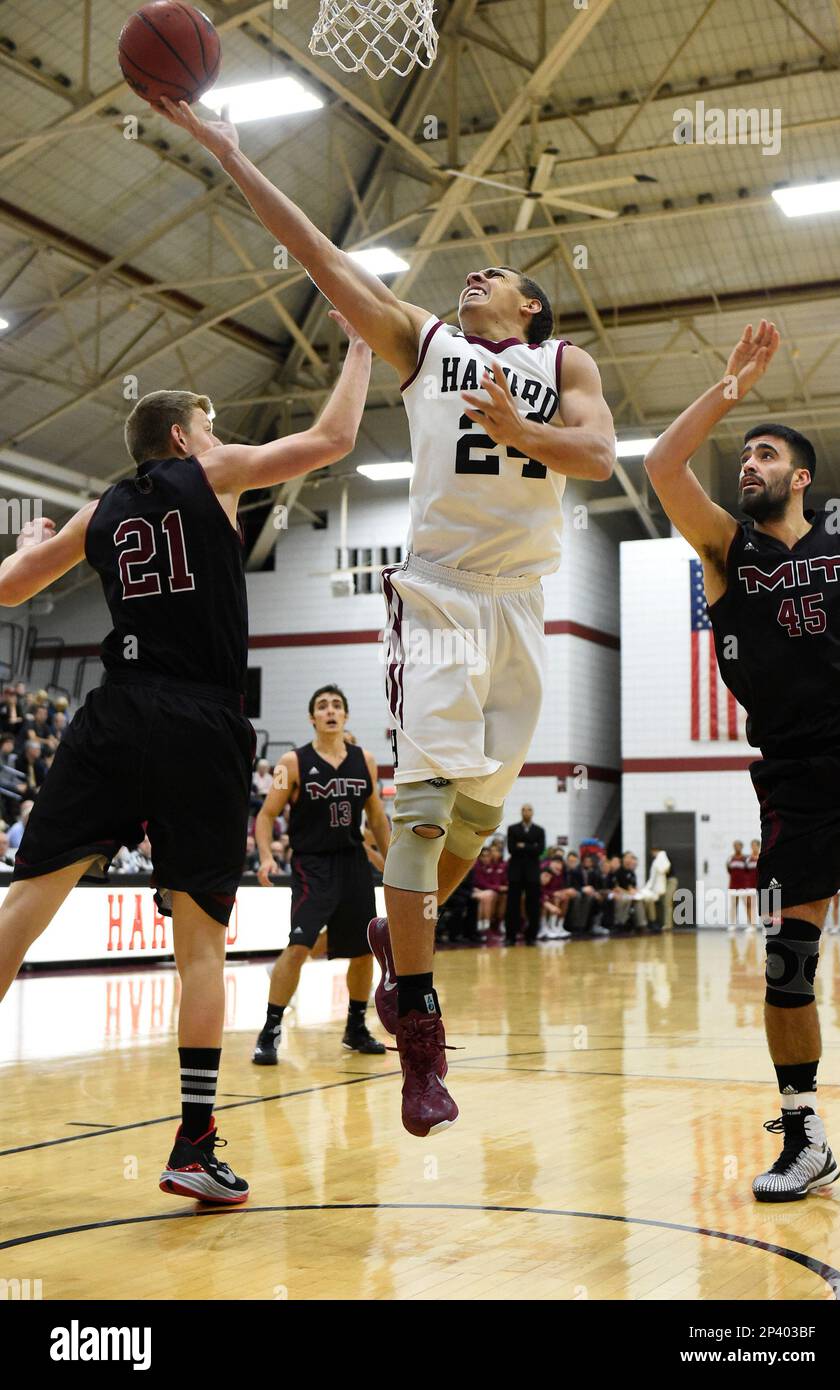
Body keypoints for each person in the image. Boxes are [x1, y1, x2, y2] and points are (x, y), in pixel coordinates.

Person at [156, 98, 616, 1139]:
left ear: (533, 308)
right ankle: (420, 1038)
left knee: (456, 847)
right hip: (442, 600)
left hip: (524, 612)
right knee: (414, 826)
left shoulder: (564, 366)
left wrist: (521, 428)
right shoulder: (425, 339)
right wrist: (231, 151)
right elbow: (320, 255)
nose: (475, 277)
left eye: (496, 274)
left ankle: (393, 934)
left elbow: (595, 456)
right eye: (471, 272)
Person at [0, 311, 372, 1205]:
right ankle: (193, 1143)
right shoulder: (214, 474)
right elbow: (335, 436)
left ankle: (196, 1144)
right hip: (200, 723)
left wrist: (23, 545)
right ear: (182, 435)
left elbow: (10, 590)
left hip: (113, 714)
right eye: (209, 424)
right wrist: (359, 344)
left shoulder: (101, 512)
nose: (222, 436)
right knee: (200, 946)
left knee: (26, 904)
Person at [644, 317, 840, 1201]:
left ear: (800, 477)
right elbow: (659, 467)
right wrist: (728, 392)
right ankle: (804, 1137)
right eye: (744, 456)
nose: (748, 464)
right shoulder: (730, 552)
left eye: (765, 455)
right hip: (797, 771)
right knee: (787, 964)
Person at [252, 685, 391, 1061]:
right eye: (322, 706)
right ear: (312, 718)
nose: (330, 710)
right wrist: (266, 856)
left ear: (345, 716)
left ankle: (356, 1028)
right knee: (299, 945)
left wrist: (393, 859)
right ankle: (270, 1030)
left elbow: (376, 816)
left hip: (353, 864)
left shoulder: (366, 760)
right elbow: (266, 815)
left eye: (336, 705)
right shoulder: (291, 763)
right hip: (312, 864)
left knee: (364, 951)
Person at [505, 806, 546, 945]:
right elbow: (511, 849)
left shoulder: (539, 830)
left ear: (532, 812)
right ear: (521, 812)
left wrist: (523, 845)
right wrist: (531, 846)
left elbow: (540, 850)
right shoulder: (512, 828)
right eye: (524, 809)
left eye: (529, 810)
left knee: (533, 905)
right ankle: (510, 936)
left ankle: (532, 936)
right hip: (515, 873)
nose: (526, 812)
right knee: (512, 906)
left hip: (532, 874)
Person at [641, 846, 671, 930]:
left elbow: (665, 868)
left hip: (665, 884)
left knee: (666, 903)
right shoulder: (656, 861)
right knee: (654, 902)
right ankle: (653, 922)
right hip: (658, 887)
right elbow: (653, 878)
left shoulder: (661, 857)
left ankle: (664, 924)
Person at [726, 839, 748, 930]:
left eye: (738, 845)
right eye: (735, 846)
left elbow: (748, 871)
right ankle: (732, 925)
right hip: (733, 885)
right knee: (733, 905)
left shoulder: (746, 858)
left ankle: (750, 924)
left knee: (747, 904)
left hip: (743, 885)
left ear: (742, 847)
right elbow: (728, 870)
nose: (736, 847)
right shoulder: (730, 858)